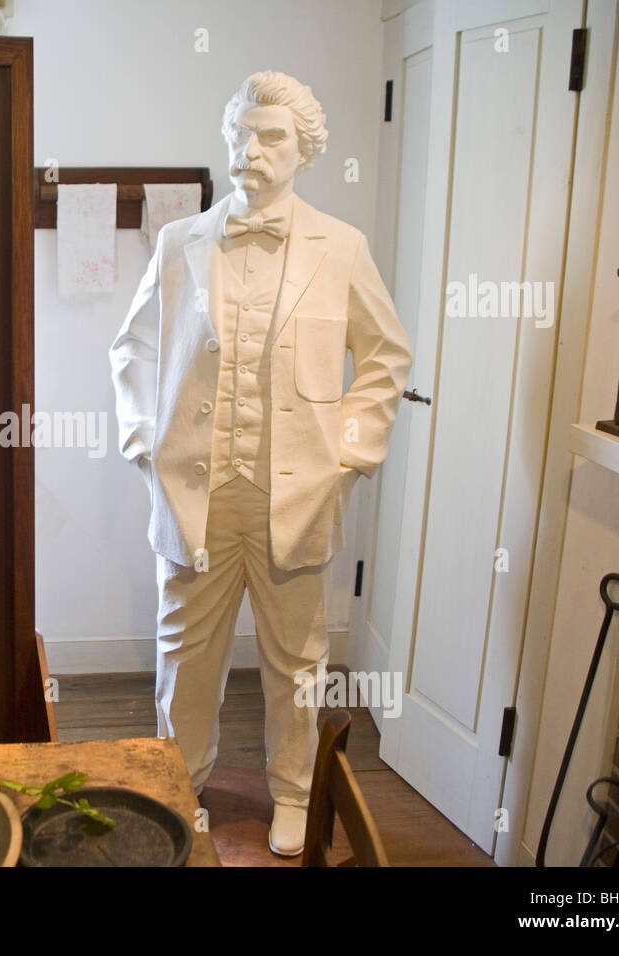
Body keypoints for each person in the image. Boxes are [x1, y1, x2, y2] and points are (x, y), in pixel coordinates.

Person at [109, 69, 412, 856]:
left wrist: (347, 457)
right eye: (242, 133)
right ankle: (180, 782)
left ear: (303, 150)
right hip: (195, 493)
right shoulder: (182, 242)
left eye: (271, 135)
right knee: (186, 655)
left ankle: (295, 793)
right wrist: (144, 445)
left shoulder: (340, 247)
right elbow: (133, 347)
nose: (252, 149)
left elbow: (386, 357)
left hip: (296, 494)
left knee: (297, 660)